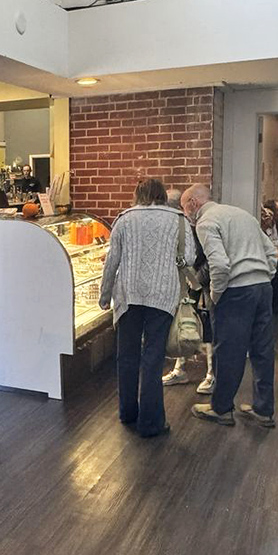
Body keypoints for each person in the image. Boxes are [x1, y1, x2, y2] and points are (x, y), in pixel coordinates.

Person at [99, 178, 195, 438]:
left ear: (137, 194)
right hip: (163, 296)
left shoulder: (124, 219)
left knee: (126, 356)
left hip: (128, 295)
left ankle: (127, 413)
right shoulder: (179, 220)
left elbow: (112, 261)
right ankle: (151, 423)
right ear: (163, 195)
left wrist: (104, 294)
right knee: (153, 359)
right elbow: (189, 258)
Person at [181, 184, 277, 428]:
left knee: (229, 352)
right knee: (262, 350)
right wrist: (265, 276)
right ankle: (263, 409)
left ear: (193, 203)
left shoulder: (205, 222)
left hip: (236, 292)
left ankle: (222, 408)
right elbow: (270, 252)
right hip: (262, 288)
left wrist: (215, 294)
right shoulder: (243, 215)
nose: (186, 215)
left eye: (184, 208)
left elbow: (220, 265)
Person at [162, 187, 215, 394]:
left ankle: (212, 373)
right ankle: (180, 368)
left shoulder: (195, 226)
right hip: (189, 280)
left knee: (207, 323)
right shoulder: (181, 225)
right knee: (184, 323)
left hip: (202, 280)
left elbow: (207, 258)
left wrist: (196, 280)